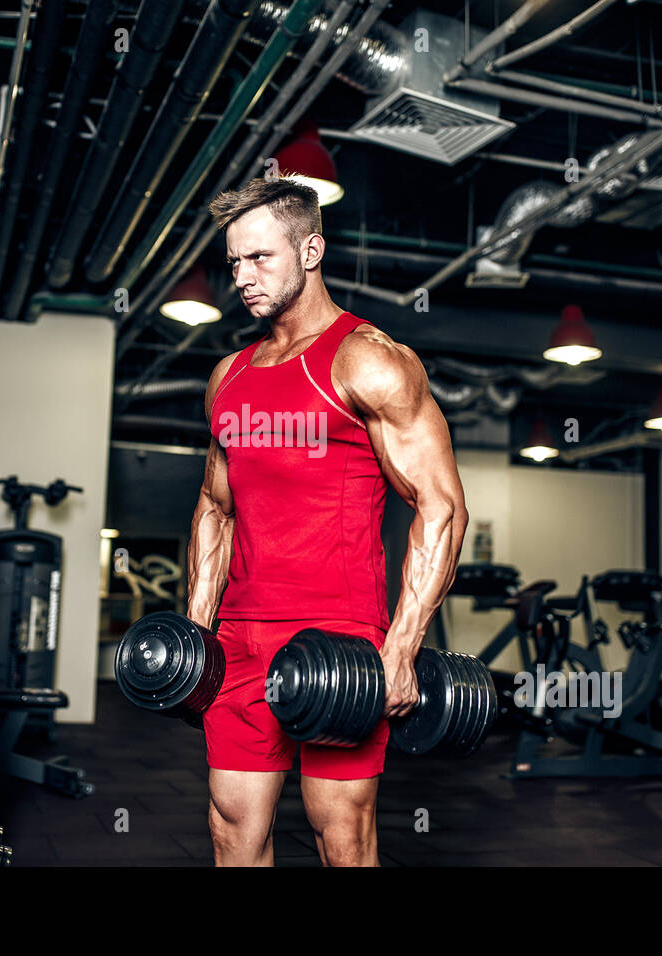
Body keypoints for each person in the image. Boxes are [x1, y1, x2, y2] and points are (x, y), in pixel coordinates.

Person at [185, 177, 468, 866]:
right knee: (231, 827)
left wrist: (400, 647)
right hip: (243, 639)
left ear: (310, 249)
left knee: (340, 835)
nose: (242, 279)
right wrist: (198, 634)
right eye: (233, 263)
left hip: (339, 639)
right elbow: (215, 508)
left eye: (260, 259)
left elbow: (442, 505)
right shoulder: (231, 376)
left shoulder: (366, 359)